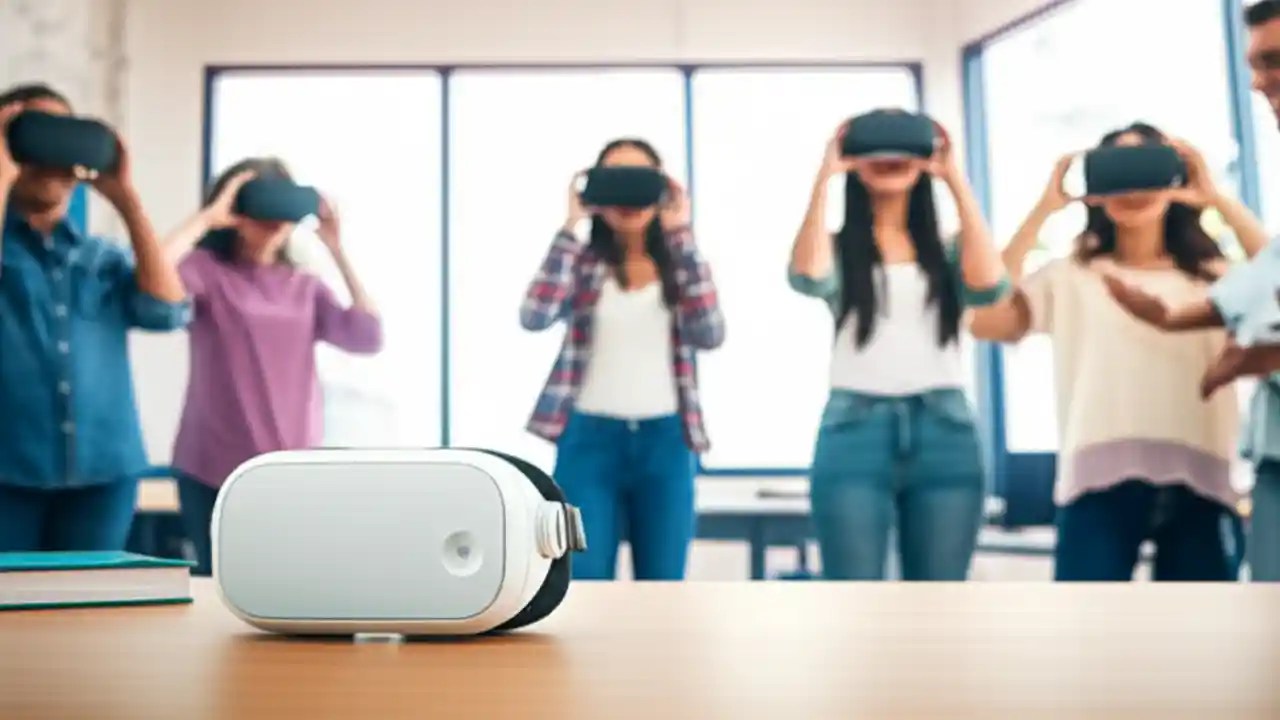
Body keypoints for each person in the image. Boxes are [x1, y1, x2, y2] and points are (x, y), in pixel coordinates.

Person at [969, 122, 1269, 582]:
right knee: (1087, 639)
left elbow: (1277, 282)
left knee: (1204, 644)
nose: (1132, 188)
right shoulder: (1070, 276)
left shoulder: (1217, 278)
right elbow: (986, 320)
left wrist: (1217, 200)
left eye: (1147, 168)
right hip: (1095, 482)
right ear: (1095, 190)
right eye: (1116, 172)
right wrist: (1044, 210)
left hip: (1201, 480)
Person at [788, 115, 1011, 581]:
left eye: (903, 151)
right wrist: (826, 175)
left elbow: (990, 284)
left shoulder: (948, 252)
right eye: (876, 151)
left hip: (945, 428)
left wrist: (953, 177)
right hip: (854, 428)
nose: (890, 161)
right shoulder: (839, 250)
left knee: (939, 602)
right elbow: (807, 275)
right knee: (852, 593)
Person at [162, 158, 383, 576]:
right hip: (212, 463)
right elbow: (151, 280)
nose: (272, 223)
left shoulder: (304, 285)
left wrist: (336, 248)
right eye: (259, 209)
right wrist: (209, 217)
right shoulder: (205, 272)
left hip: (291, 468)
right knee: (220, 588)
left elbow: (368, 336)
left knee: (294, 586)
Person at [520, 138, 725, 581]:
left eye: (641, 182)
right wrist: (571, 225)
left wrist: (680, 233)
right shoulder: (582, 262)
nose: (629, 198)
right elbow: (534, 315)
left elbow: (710, 333)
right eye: (616, 182)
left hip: (667, 440)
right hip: (589, 439)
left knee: (664, 583)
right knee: (583, 579)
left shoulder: (680, 262)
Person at [0, 83, 190, 552]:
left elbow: (166, 312)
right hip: (8, 472)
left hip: (106, 473)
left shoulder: (103, 256)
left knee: (92, 618)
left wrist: (126, 198)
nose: (48, 156)